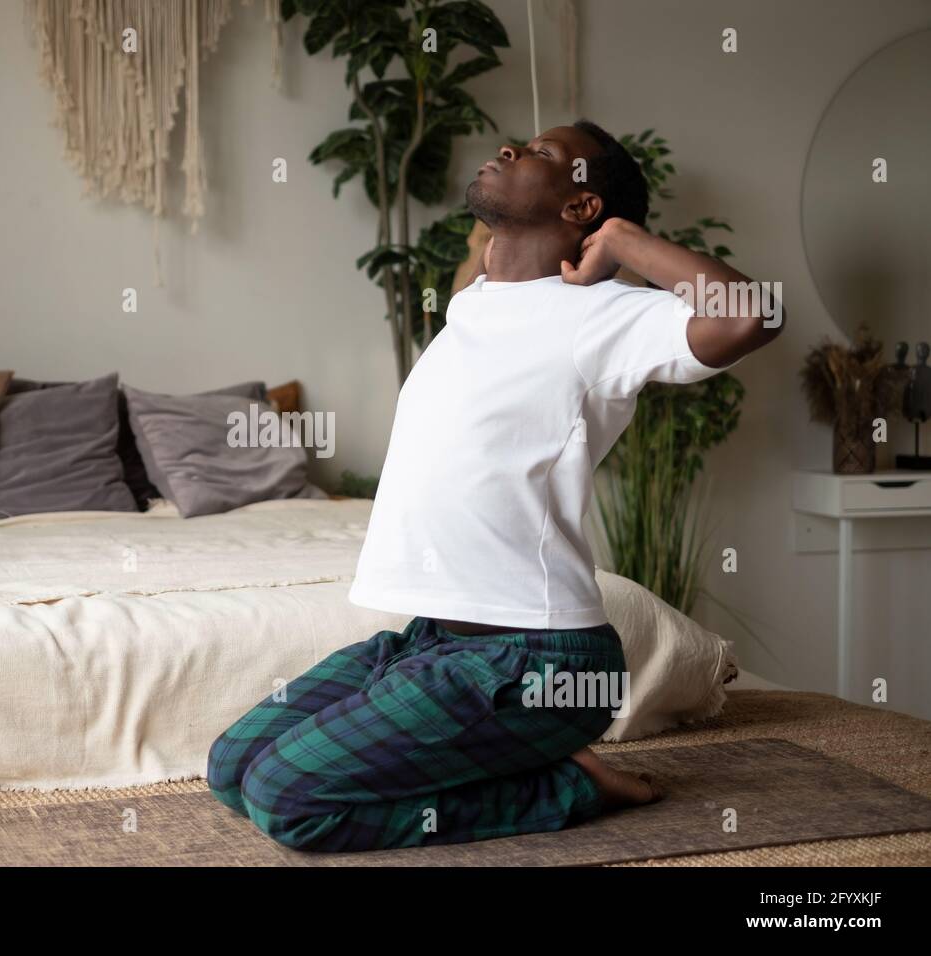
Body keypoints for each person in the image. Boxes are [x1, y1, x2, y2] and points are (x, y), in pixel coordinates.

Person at [208, 120, 783, 852]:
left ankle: (566, 785)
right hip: (430, 642)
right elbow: (496, 264)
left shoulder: (600, 319)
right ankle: (503, 750)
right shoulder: (476, 303)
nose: (510, 150)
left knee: (288, 800)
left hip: (538, 662)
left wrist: (623, 240)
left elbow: (756, 313)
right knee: (231, 768)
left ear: (582, 206)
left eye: (541, 153)